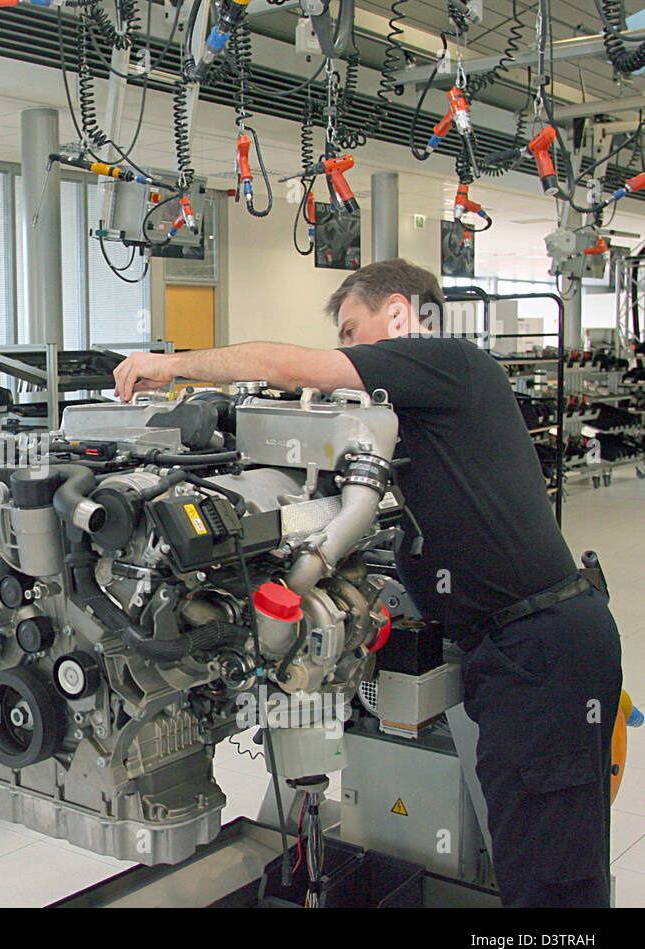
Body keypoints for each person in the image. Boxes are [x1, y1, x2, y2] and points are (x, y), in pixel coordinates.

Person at [113, 258, 622, 907]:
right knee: (531, 846)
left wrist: (171, 365)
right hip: (517, 650)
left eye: (353, 331)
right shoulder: (428, 407)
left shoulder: (446, 360)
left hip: (542, 652)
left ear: (401, 313)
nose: (348, 351)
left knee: (550, 873)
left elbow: (296, 367)